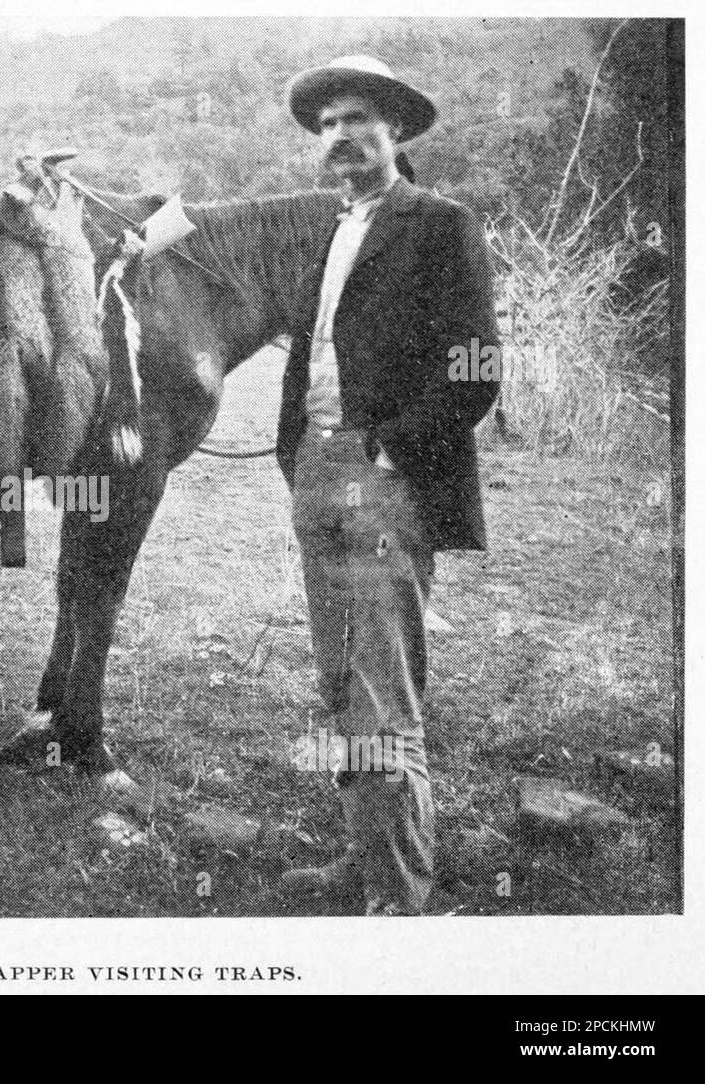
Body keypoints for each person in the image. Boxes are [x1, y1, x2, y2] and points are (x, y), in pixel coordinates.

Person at [274, 56, 500, 914]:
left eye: (355, 118)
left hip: (382, 478)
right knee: (339, 678)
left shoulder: (442, 225)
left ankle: (398, 898)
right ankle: (365, 856)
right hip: (317, 469)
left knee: (380, 684)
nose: (338, 136)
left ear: (396, 130)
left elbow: (475, 370)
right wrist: (299, 448)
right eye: (326, 124)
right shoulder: (335, 230)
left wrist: (391, 452)